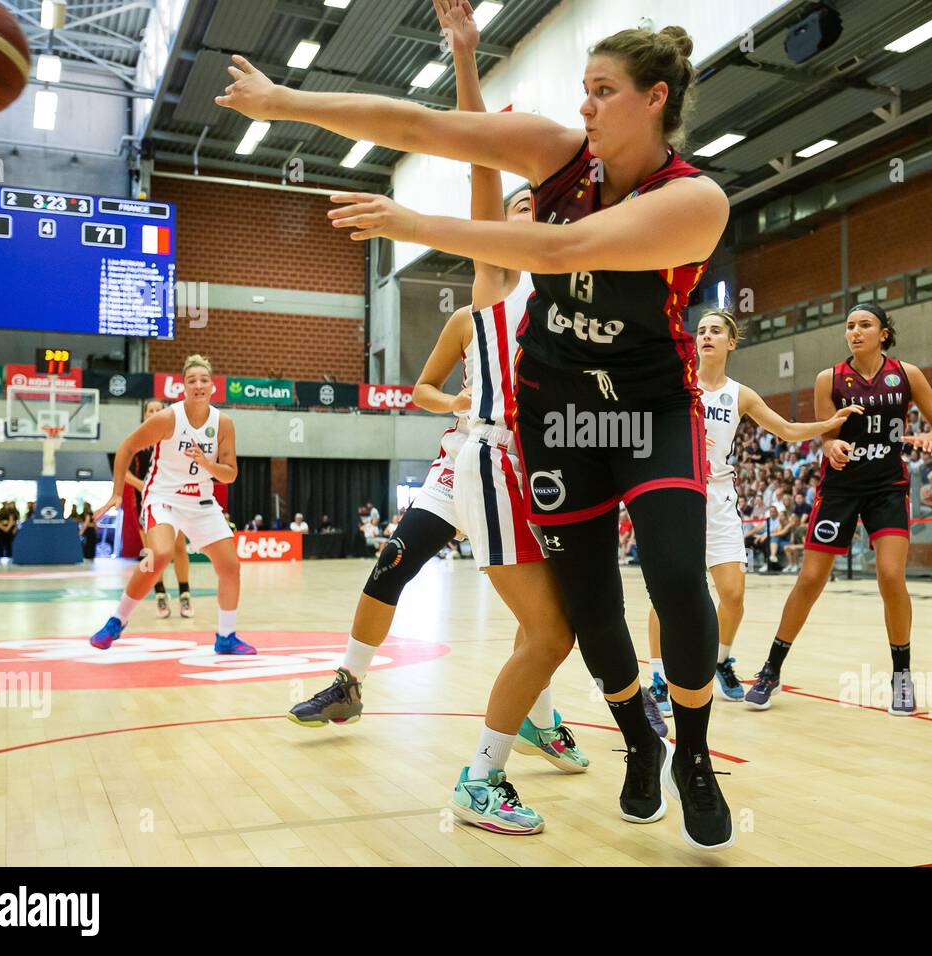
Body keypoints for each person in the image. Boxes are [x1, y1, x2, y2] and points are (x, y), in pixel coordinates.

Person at [222, 17, 738, 848]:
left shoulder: (695, 199)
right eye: (585, 89)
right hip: (555, 418)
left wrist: (409, 224)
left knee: (679, 575)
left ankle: (695, 755)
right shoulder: (557, 154)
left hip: (647, 408)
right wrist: (284, 100)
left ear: (655, 99)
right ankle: (640, 744)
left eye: (604, 92)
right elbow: (424, 127)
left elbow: (565, 245)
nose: (587, 106)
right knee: (593, 614)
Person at [288, 0, 592, 838]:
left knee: (551, 620)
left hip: (542, 469)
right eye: (515, 217)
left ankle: (534, 718)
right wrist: (466, 55)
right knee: (418, 576)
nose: (523, 221)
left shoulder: (575, 291)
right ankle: (365, 690)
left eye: (540, 215)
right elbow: (479, 167)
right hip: (476, 459)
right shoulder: (496, 285)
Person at [645, 309, 859, 709]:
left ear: (731, 343)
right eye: (702, 330)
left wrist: (829, 424)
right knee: (667, 596)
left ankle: (721, 661)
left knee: (734, 594)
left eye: (716, 331)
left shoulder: (739, 394)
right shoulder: (678, 384)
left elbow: (787, 430)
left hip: (721, 499)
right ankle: (658, 677)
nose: (706, 336)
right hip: (677, 496)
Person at [745, 304, 932, 713]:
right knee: (809, 580)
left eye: (864, 325)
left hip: (887, 487)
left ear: (883, 333)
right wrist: (830, 445)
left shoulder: (907, 375)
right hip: (840, 488)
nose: (855, 332)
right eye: (850, 326)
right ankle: (771, 668)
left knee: (892, 575)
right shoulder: (829, 379)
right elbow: (826, 434)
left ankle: (902, 676)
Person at [89, 355, 254, 655]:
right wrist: (116, 493)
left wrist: (207, 463)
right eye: (192, 381)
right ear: (183, 387)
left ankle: (226, 637)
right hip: (163, 497)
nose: (198, 385)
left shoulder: (223, 423)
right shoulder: (168, 418)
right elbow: (126, 447)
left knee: (230, 567)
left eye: (204, 380)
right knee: (161, 554)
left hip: (202, 501)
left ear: (212, 387)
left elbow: (230, 474)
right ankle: (117, 620)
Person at [124, 399, 196, 619]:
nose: (155, 413)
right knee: (153, 554)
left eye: (159, 409)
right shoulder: (137, 440)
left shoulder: (176, 439)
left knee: (179, 547)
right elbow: (124, 473)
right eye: (150, 410)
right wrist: (144, 486)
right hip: (146, 502)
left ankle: (185, 594)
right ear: (144, 415)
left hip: (175, 500)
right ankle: (160, 595)